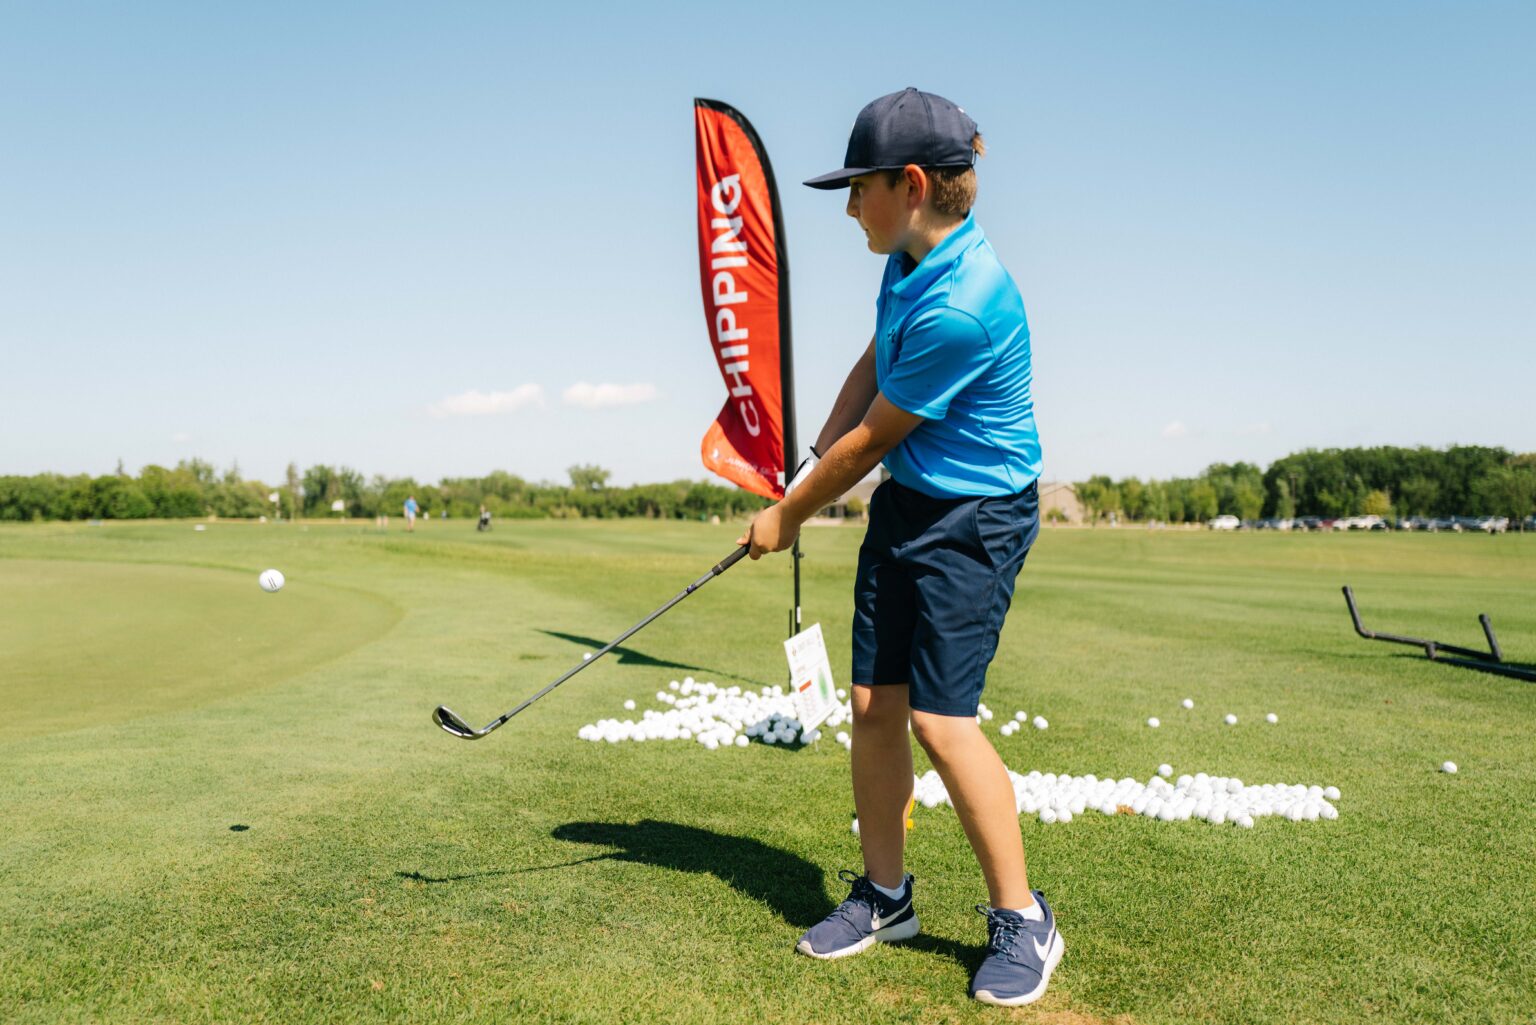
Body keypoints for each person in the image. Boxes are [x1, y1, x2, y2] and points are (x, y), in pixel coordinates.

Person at [737, 88, 1054, 1007]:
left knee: (942, 722)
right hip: (913, 505)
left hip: (978, 518)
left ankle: (1022, 917)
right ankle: (886, 896)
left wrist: (790, 514)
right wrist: (806, 458)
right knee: (875, 702)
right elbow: (872, 364)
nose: (847, 209)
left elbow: (875, 440)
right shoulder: (911, 258)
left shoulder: (966, 299)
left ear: (910, 185)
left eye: (858, 189)